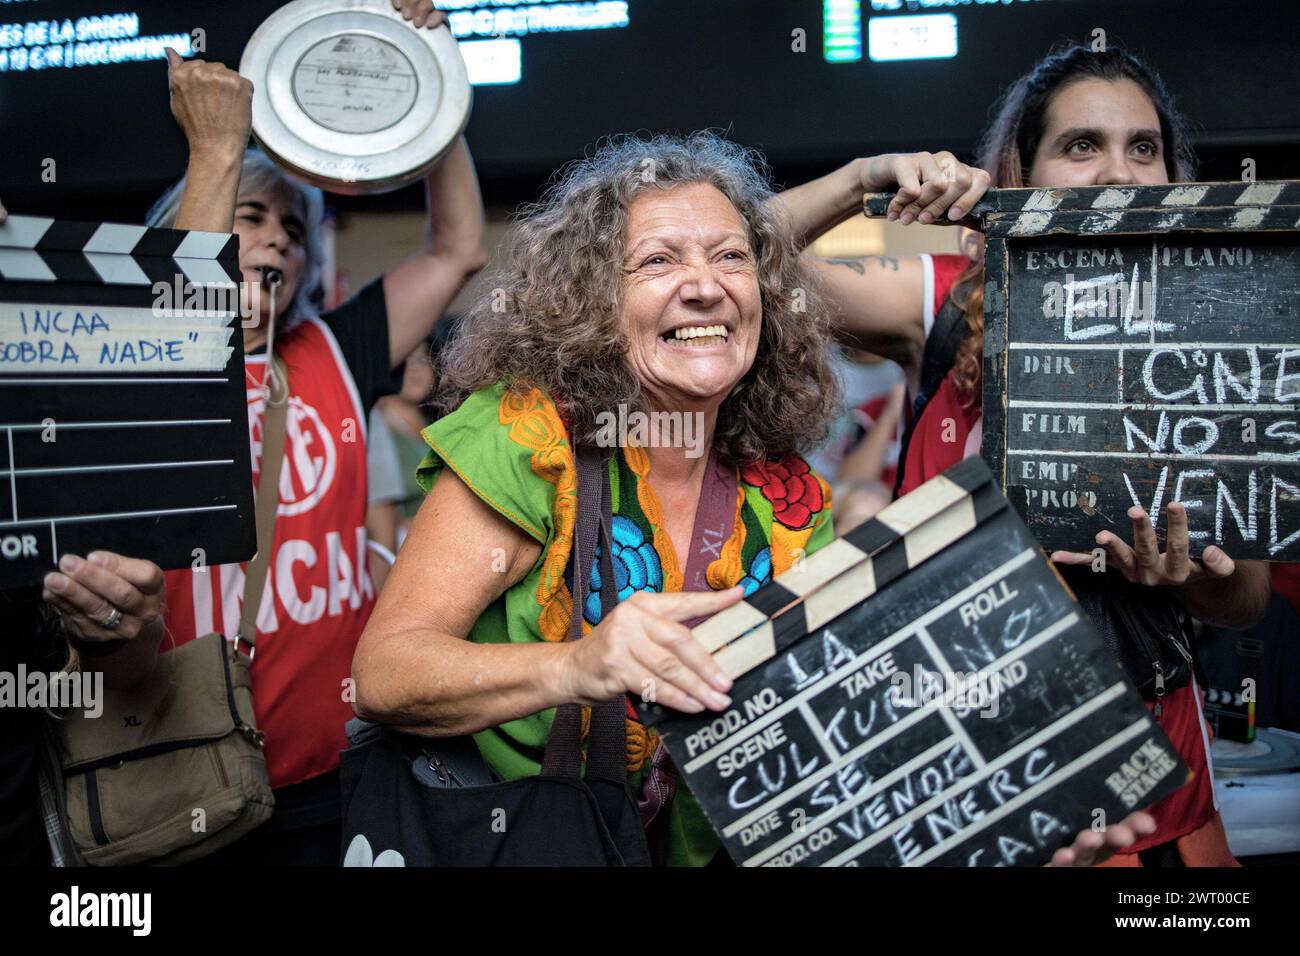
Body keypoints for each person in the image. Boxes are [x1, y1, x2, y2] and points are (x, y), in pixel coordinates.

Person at [351, 131, 1156, 867]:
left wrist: (1004, 811)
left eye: (731, 257)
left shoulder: (790, 495)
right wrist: (578, 664)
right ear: (592, 303)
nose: (705, 287)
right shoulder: (528, 438)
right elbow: (386, 674)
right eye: (658, 261)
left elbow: (821, 743)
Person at [776, 43, 1271, 865]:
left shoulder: (1210, 338)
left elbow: (1247, 596)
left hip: (1158, 800)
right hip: (965, 772)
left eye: (1143, 148)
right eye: (1081, 145)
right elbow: (732, 255)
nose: (1117, 172)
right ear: (1021, 172)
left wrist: (1187, 575)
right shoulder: (944, 299)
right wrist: (867, 175)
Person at [136, 3, 487, 865]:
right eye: (252, 217)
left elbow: (457, 249)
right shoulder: (145, 354)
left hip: (338, 762)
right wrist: (216, 151)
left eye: (294, 231)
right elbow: (184, 310)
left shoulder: (334, 346)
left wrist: (431, 82)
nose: (277, 242)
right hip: (191, 765)